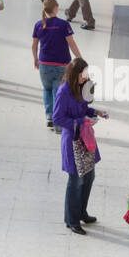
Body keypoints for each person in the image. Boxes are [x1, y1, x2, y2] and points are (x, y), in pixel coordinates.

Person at [53, 58, 107, 233]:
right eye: (83, 74)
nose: (86, 77)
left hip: (85, 139)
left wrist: (96, 112)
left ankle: (82, 212)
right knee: (76, 180)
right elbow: (57, 118)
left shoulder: (81, 88)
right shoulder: (63, 92)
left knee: (89, 176)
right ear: (75, 74)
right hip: (73, 141)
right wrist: (80, 121)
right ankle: (72, 219)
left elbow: (84, 109)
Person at [32, 0, 81, 126]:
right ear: (55, 8)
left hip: (44, 64)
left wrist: (35, 59)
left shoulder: (38, 25)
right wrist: (79, 58)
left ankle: (49, 116)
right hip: (62, 65)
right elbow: (71, 44)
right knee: (58, 93)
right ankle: (58, 119)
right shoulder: (63, 25)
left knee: (47, 90)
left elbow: (34, 45)